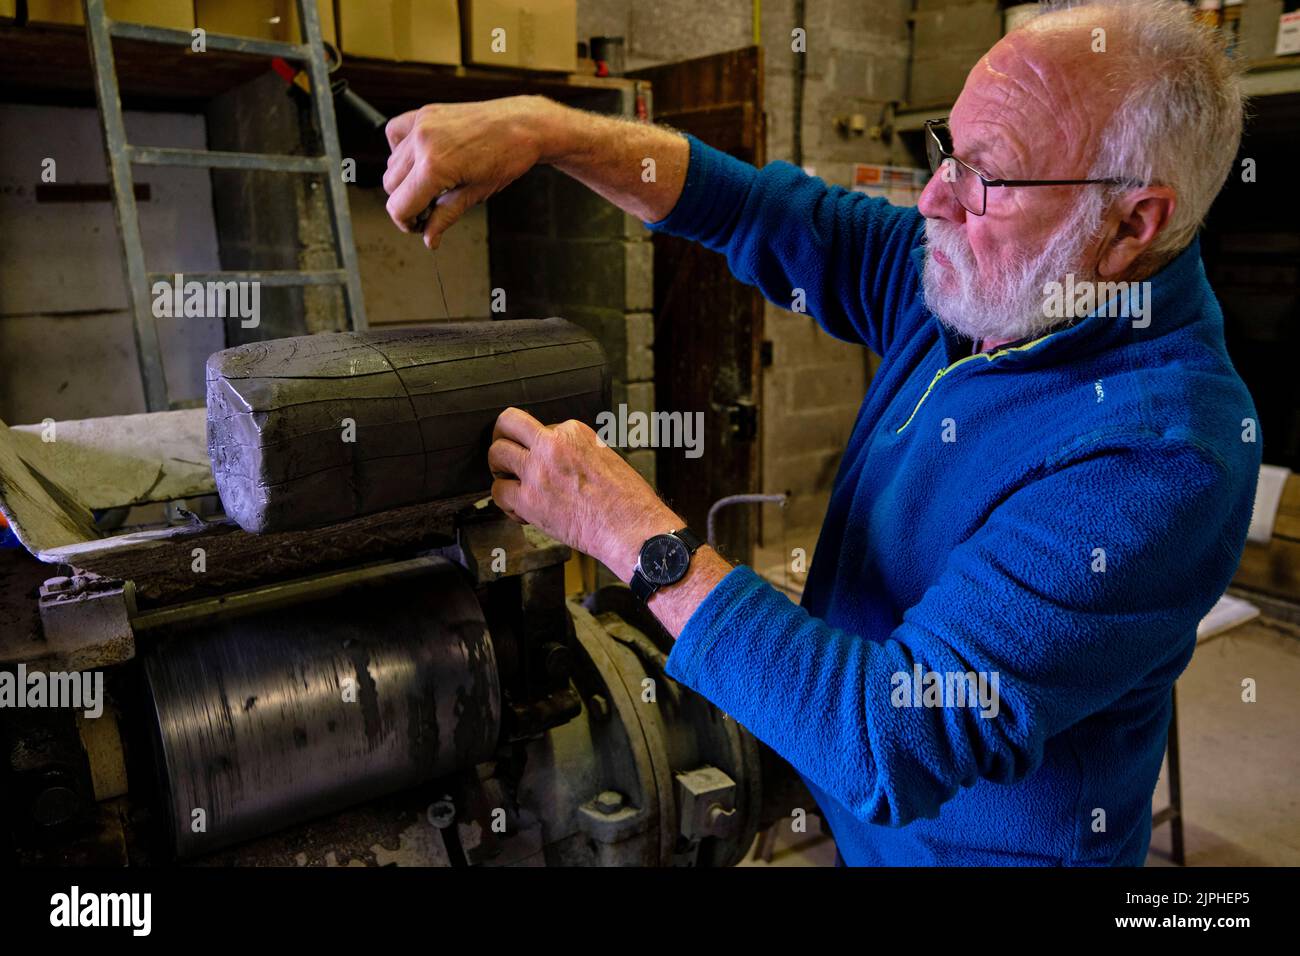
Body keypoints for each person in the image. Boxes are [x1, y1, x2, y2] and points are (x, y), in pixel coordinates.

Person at [381, 0, 1258, 865]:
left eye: (986, 176)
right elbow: (752, 210)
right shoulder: (994, 281)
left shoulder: (1162, 456)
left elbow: (890, 737)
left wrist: (631, 534)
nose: (934, 203)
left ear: (1130, 224)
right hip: (862, 837)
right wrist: (544, 130)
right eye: (943, 150)